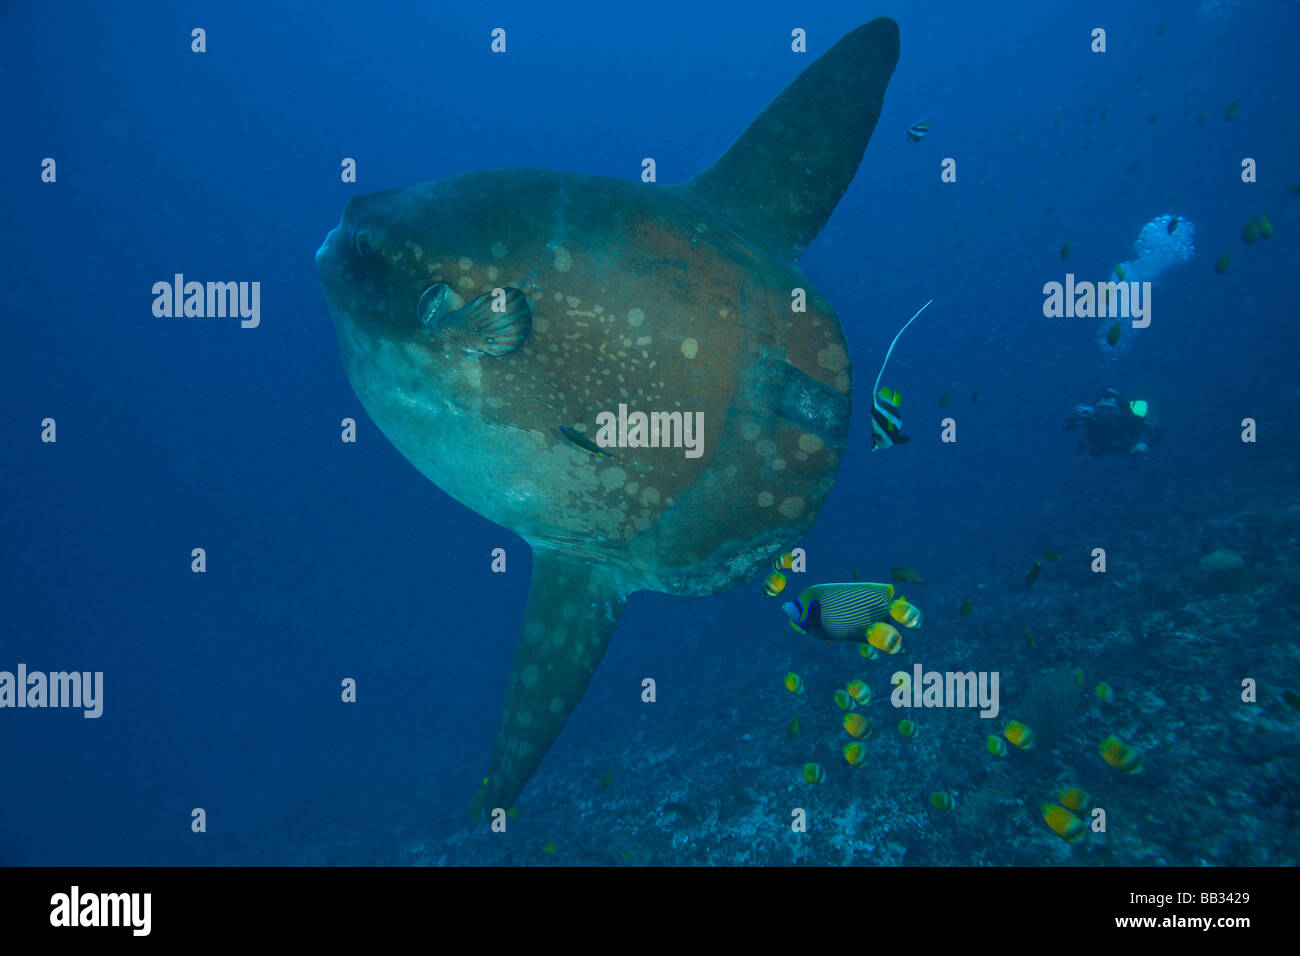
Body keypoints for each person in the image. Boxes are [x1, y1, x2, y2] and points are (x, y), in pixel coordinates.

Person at [1064, 388, 1163, 472]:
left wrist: (1146, 445)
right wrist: (1073, 417)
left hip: (1127, 449)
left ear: (1118, 410)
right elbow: (1068, 427)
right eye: (1102, 408)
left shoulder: (1130, 419)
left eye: (1110, 408)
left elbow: (1159, 433)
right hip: (1098, 449)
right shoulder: (1092, 418)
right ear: (1097, 408)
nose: (1105, 412)